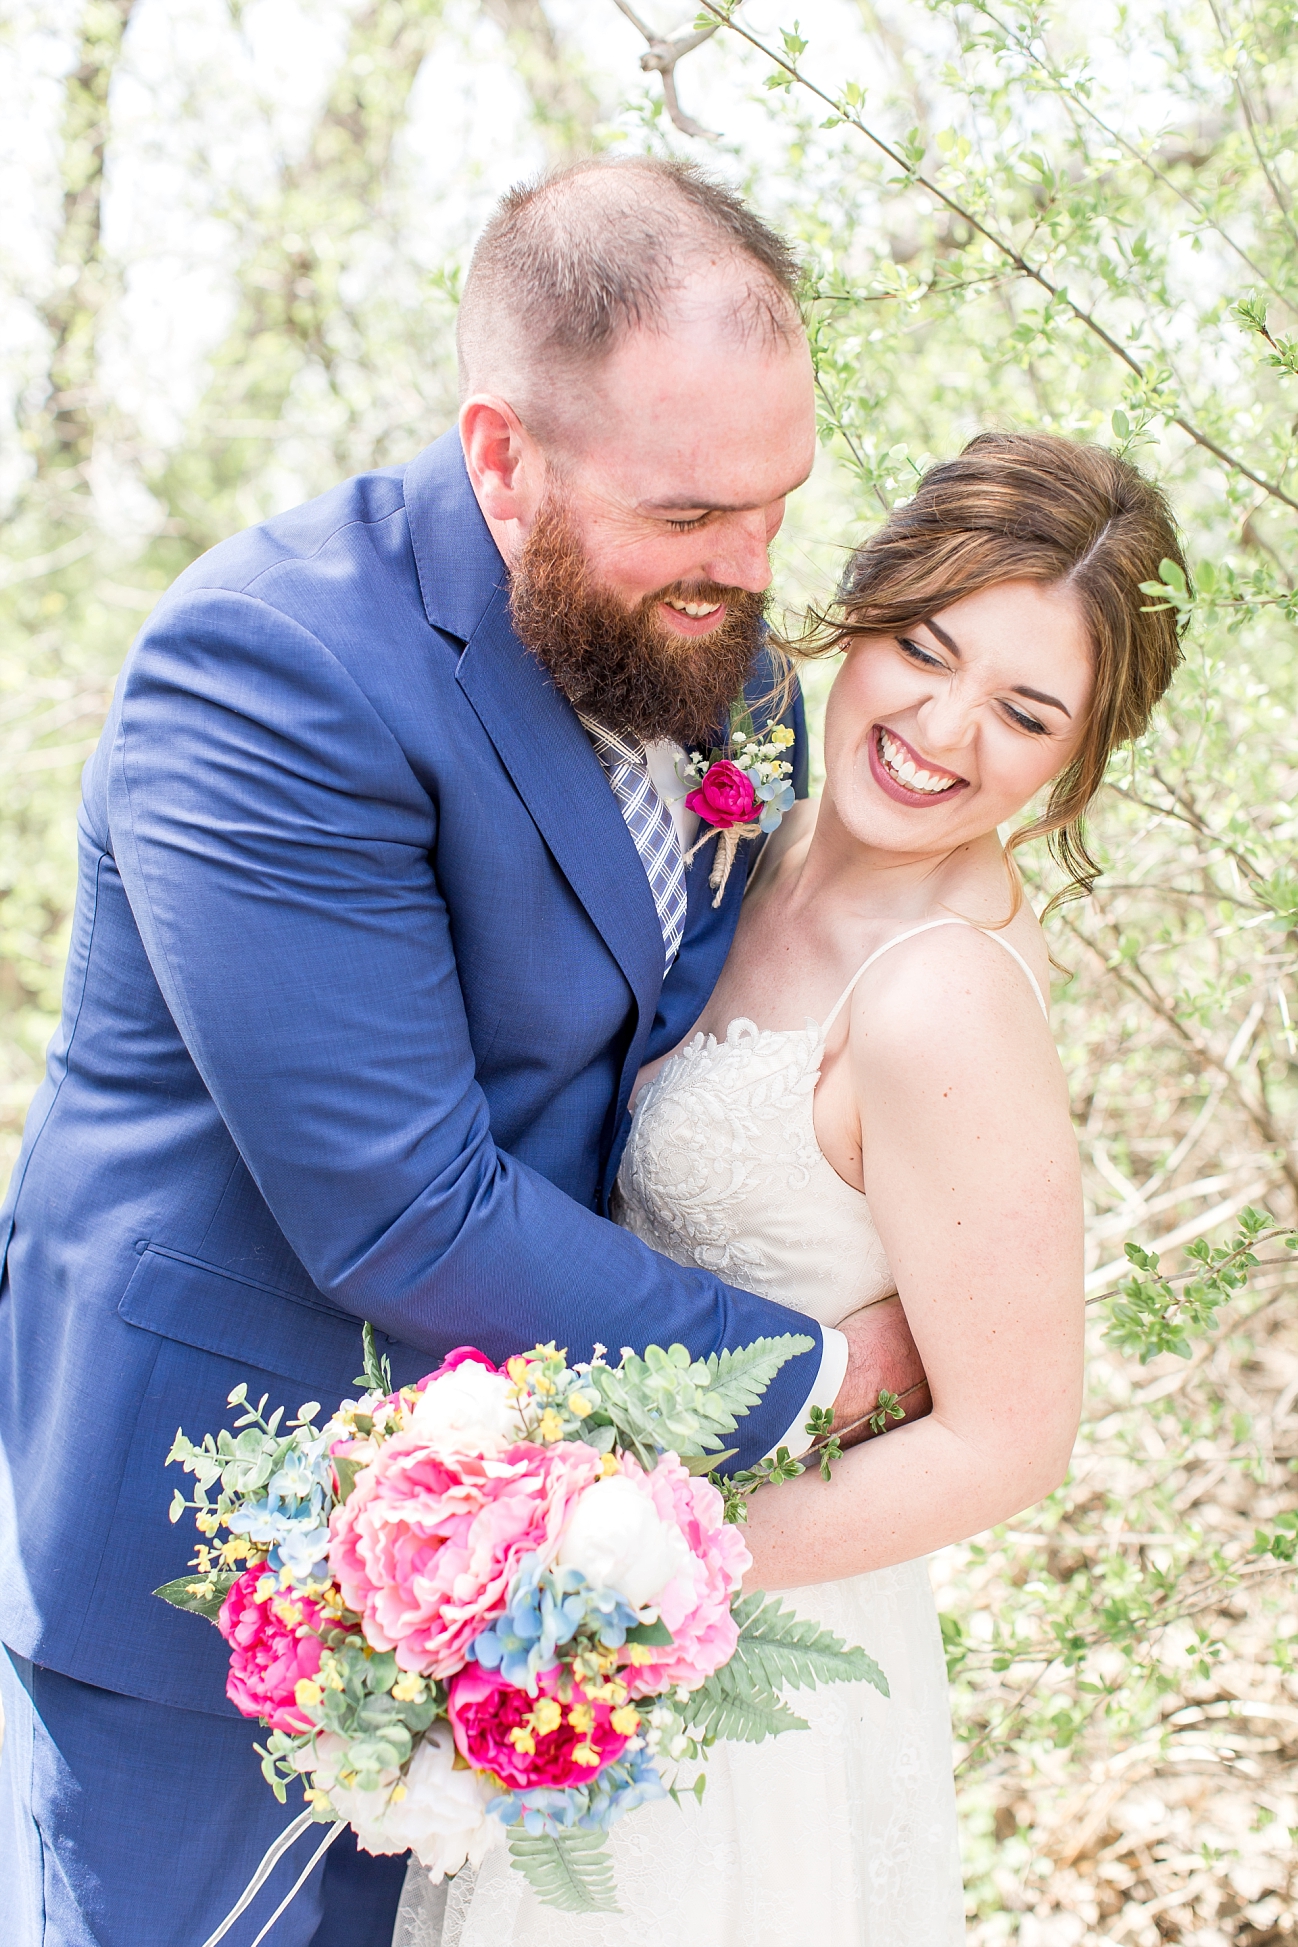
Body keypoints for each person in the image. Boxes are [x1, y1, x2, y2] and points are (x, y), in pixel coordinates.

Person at [0, 160, 925, 1947]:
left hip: (543, 1561)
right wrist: (816, 1378)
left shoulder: (725, 677)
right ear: (501, 457)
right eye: (687, 515)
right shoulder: (272, 671)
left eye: (776, 503)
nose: (748, 578)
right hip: (207, 1558)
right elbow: (400, 1204)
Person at [419, 433, 1186, 1945]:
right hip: (552, 1602)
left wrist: (629, 1566)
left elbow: (1005, 1438)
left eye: (1025, 713)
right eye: (925, 647)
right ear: (867, 604)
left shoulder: (938, 1001)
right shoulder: (738, 834)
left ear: (1072, 765)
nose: (941, 730)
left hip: (733, 1654)